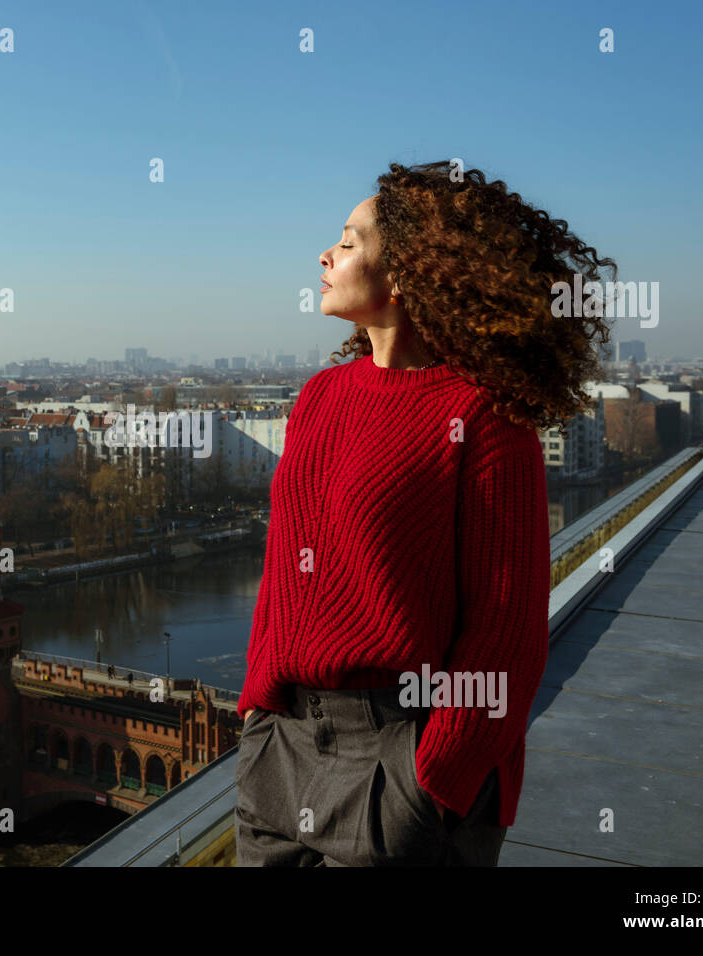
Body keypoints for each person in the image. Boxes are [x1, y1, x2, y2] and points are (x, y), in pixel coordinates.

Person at [235, 161, 614, 867]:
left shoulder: (485, 418)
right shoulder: (321, 396)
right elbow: (284, 569)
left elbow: (507, 633)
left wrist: (434, 779)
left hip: (403, 761)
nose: (325, 255)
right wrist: (259, 708)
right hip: (282, 755)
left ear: (403, 273)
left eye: (348, 242)